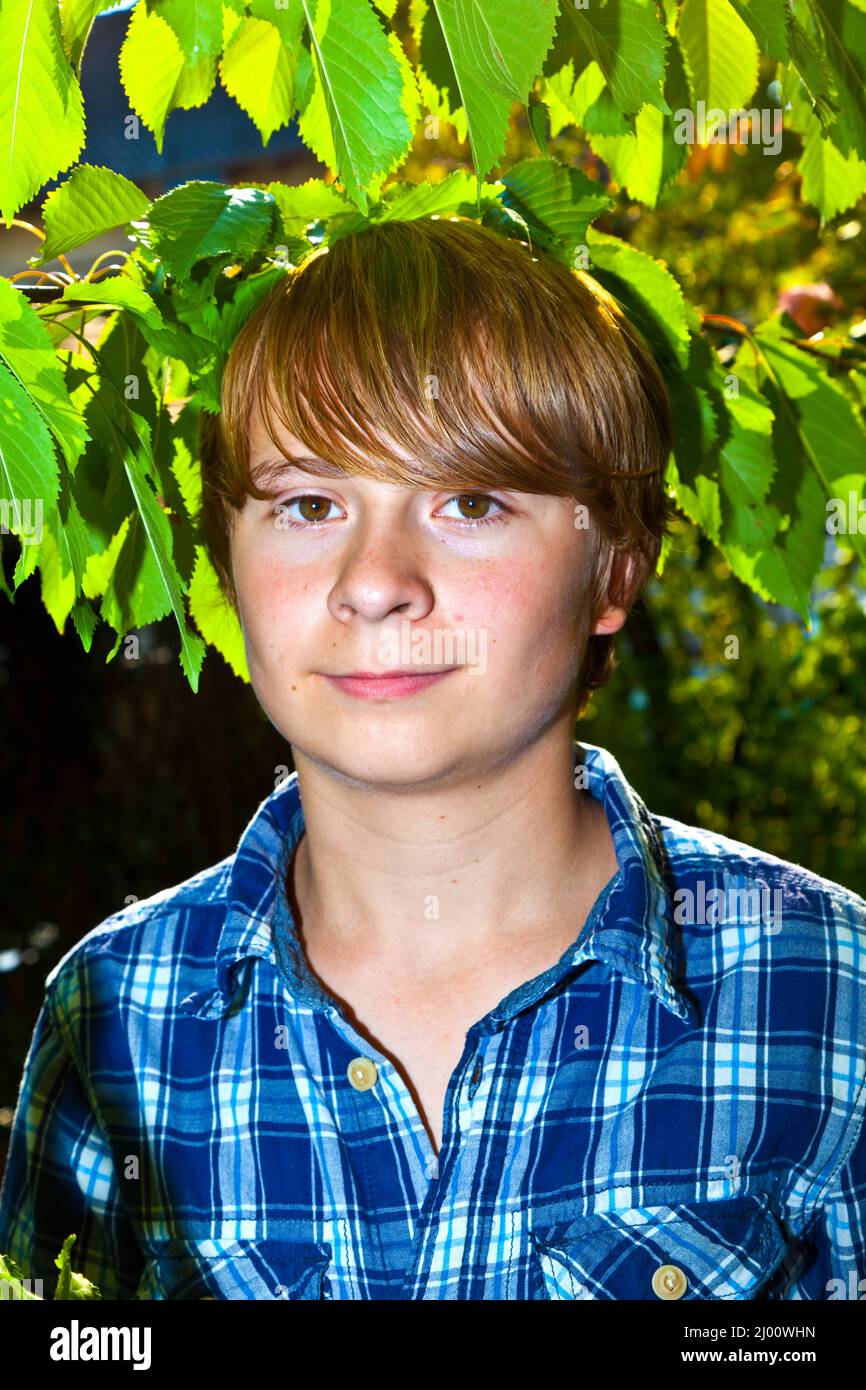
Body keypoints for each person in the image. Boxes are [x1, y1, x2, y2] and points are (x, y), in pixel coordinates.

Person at [1, 218, 864, 1301]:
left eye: (468, 501)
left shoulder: (827, 994)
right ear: (227, 560)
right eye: (309, 504)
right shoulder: (111, 1021)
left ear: (613, 568)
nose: (373, 583)